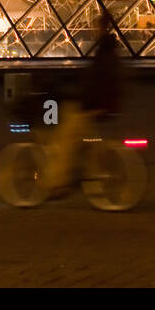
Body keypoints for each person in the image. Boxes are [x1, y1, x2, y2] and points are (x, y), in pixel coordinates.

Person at [45, 11, 124, 192]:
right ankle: (85, 167)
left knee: (67, 134)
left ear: (101, 27)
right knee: (81, 133)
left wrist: (76, 91)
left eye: (95, 27)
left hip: (96, 103)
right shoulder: (110, 50)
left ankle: (57, 181)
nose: (93, 30)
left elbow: (95, 80)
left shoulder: (104, 52)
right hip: (107, 102)